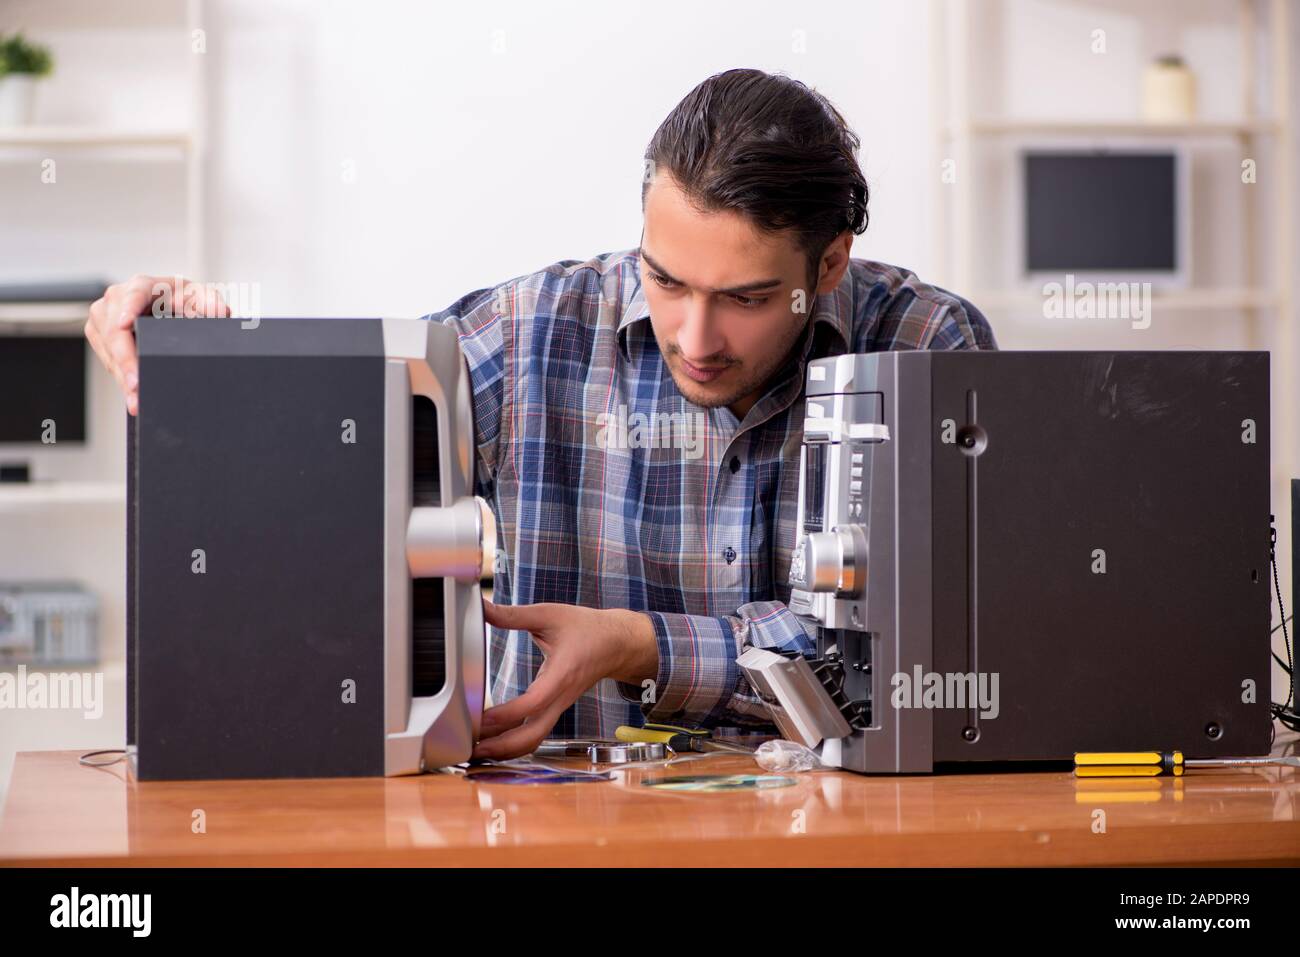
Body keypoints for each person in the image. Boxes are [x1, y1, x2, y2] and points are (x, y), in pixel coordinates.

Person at [84, 68, 997, 760]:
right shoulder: (533, 332)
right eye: (666, 278)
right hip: (564, 837)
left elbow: (916, 658)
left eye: (747, 299)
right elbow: (323, 450)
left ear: (829, 264)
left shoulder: (925, 346)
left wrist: (635, 647)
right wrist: (191, 342)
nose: (695, 334)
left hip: (845, 842)